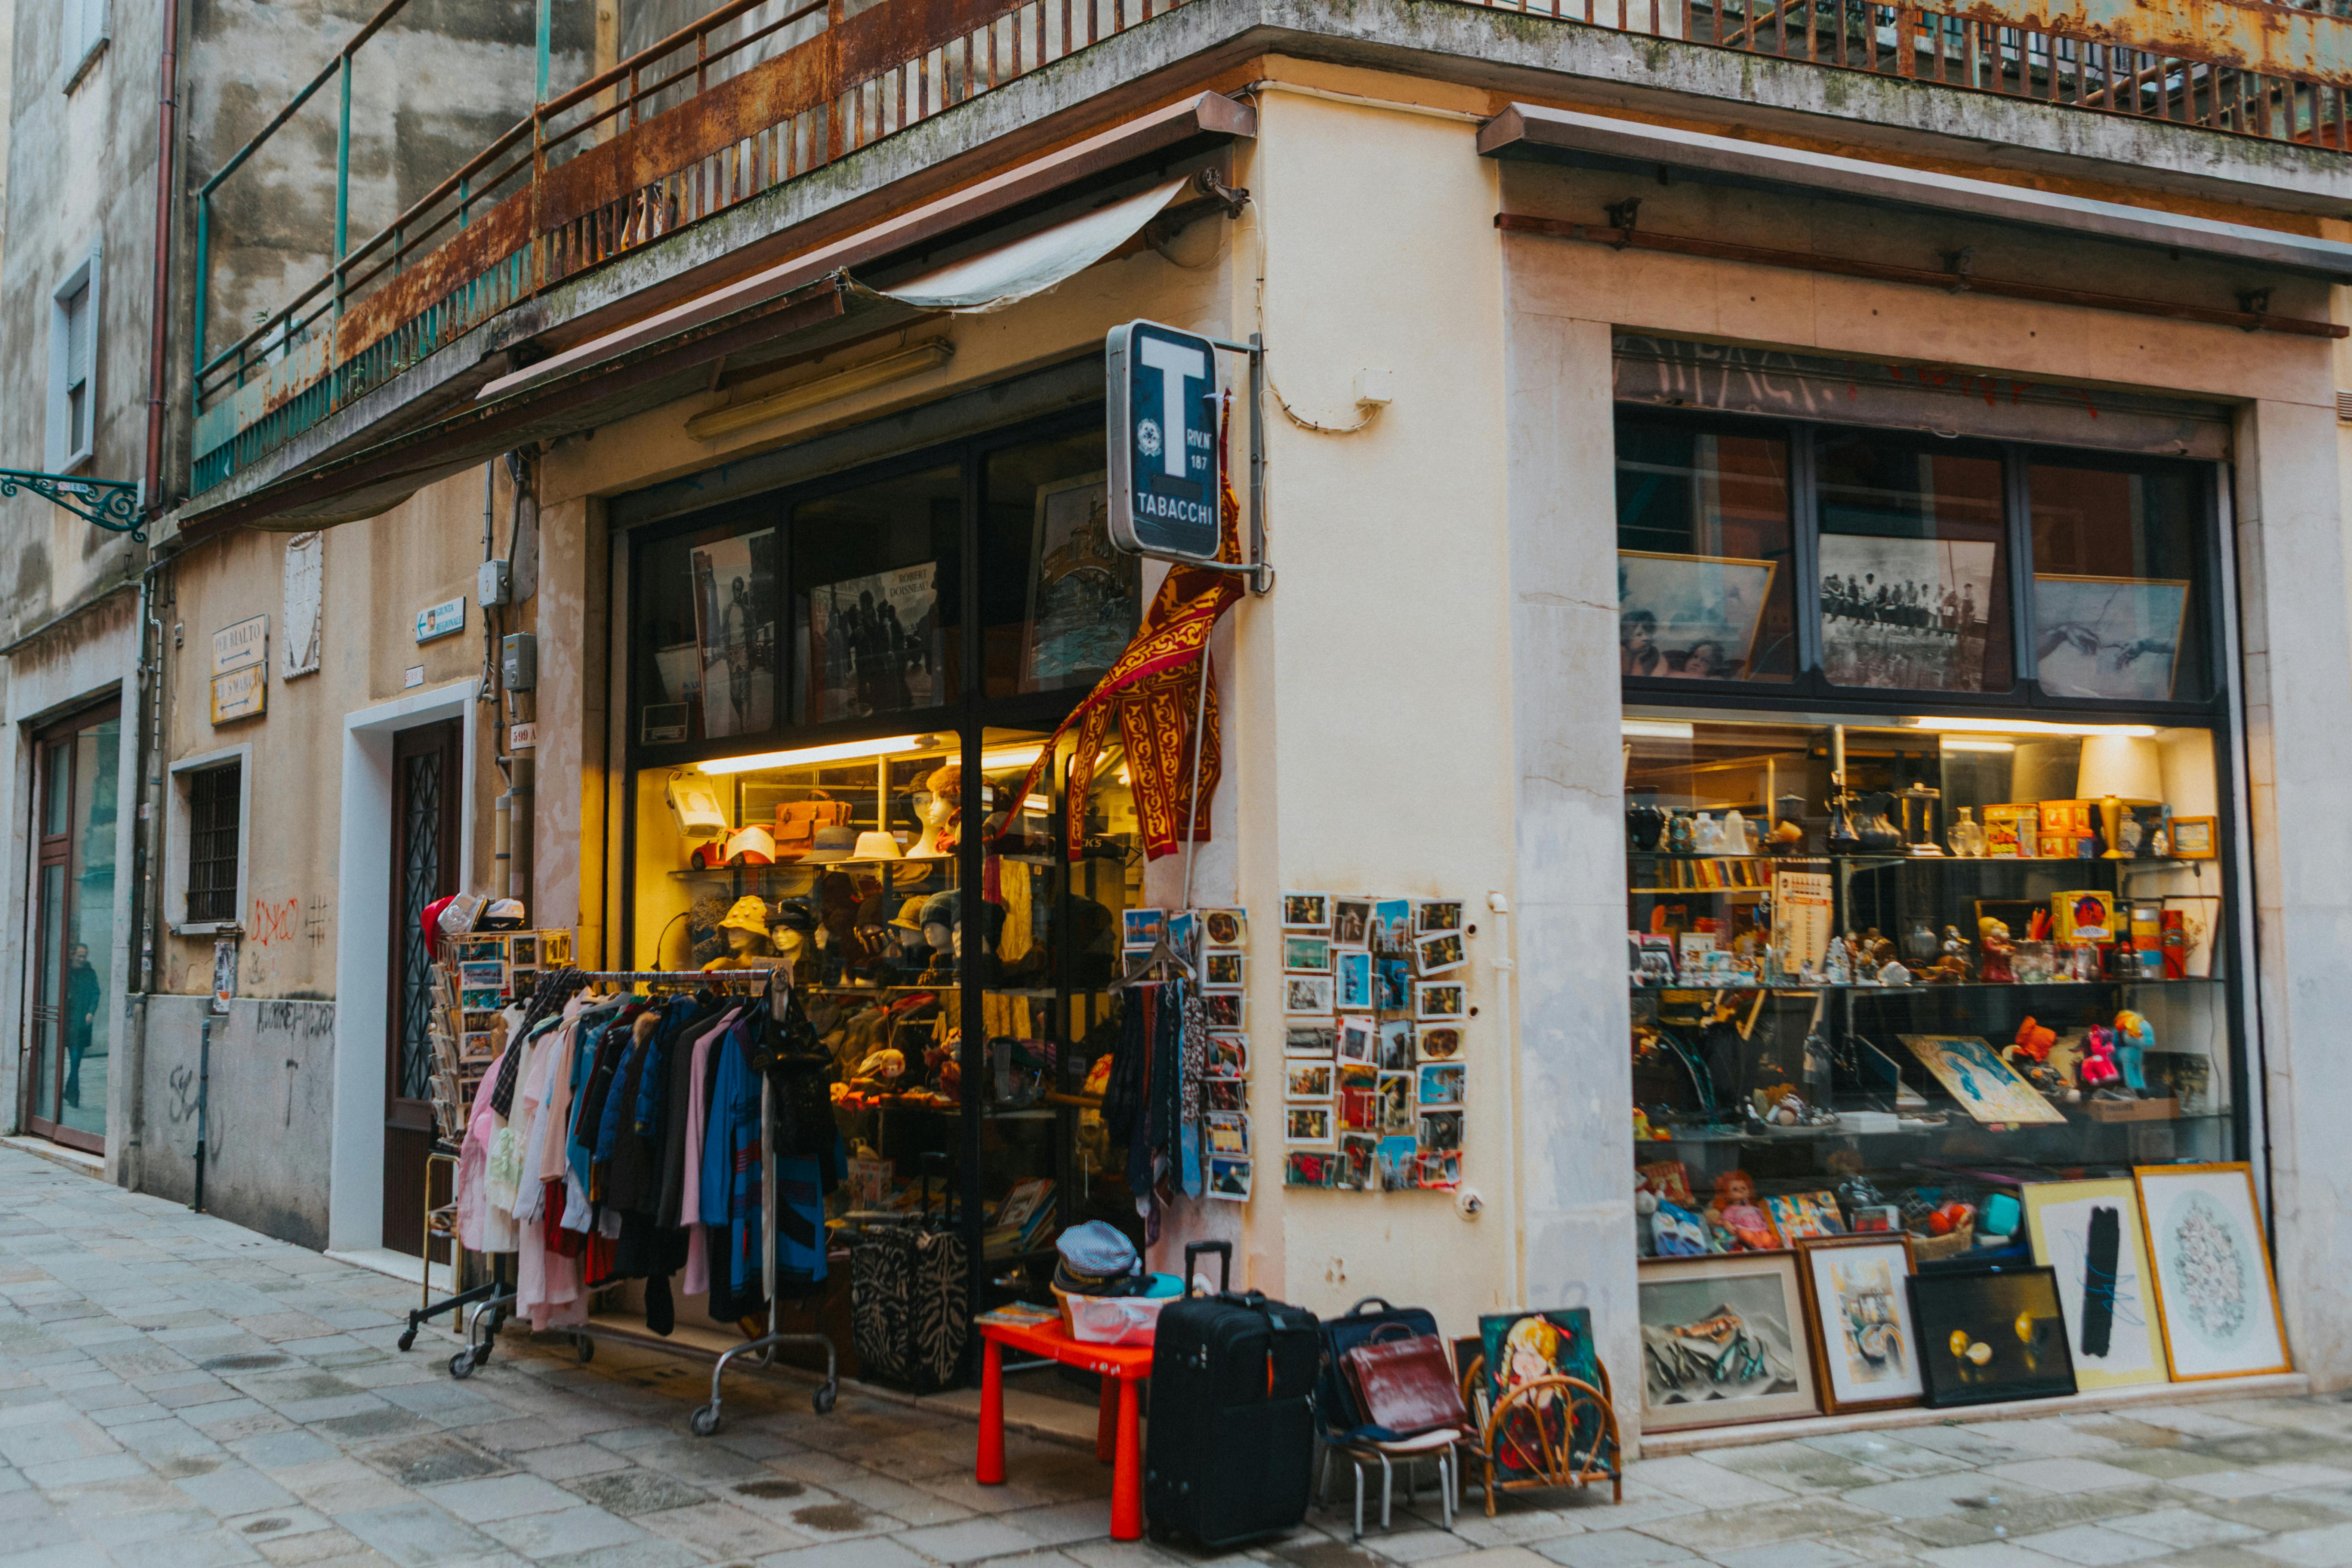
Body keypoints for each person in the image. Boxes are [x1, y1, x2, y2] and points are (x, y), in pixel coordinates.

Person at [64, 943, 98, 1110]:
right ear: (73, 955)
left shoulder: (90, 973)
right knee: (75, 1058)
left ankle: (69, 1091)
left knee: (76, 1061)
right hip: (68, 1021)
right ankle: (73, 1095)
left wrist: (91, 1012)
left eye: (85, 956)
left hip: (83, 1022)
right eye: (80, 956)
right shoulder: (67, 972)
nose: (83, 959)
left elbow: (96, 993)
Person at [1620, 609, 1661, 676]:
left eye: (1649, 633)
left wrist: (1638, 659)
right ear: (1626, 637)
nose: (1646, 638)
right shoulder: (1619, 654)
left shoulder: (1654, 655)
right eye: (1639, 635)